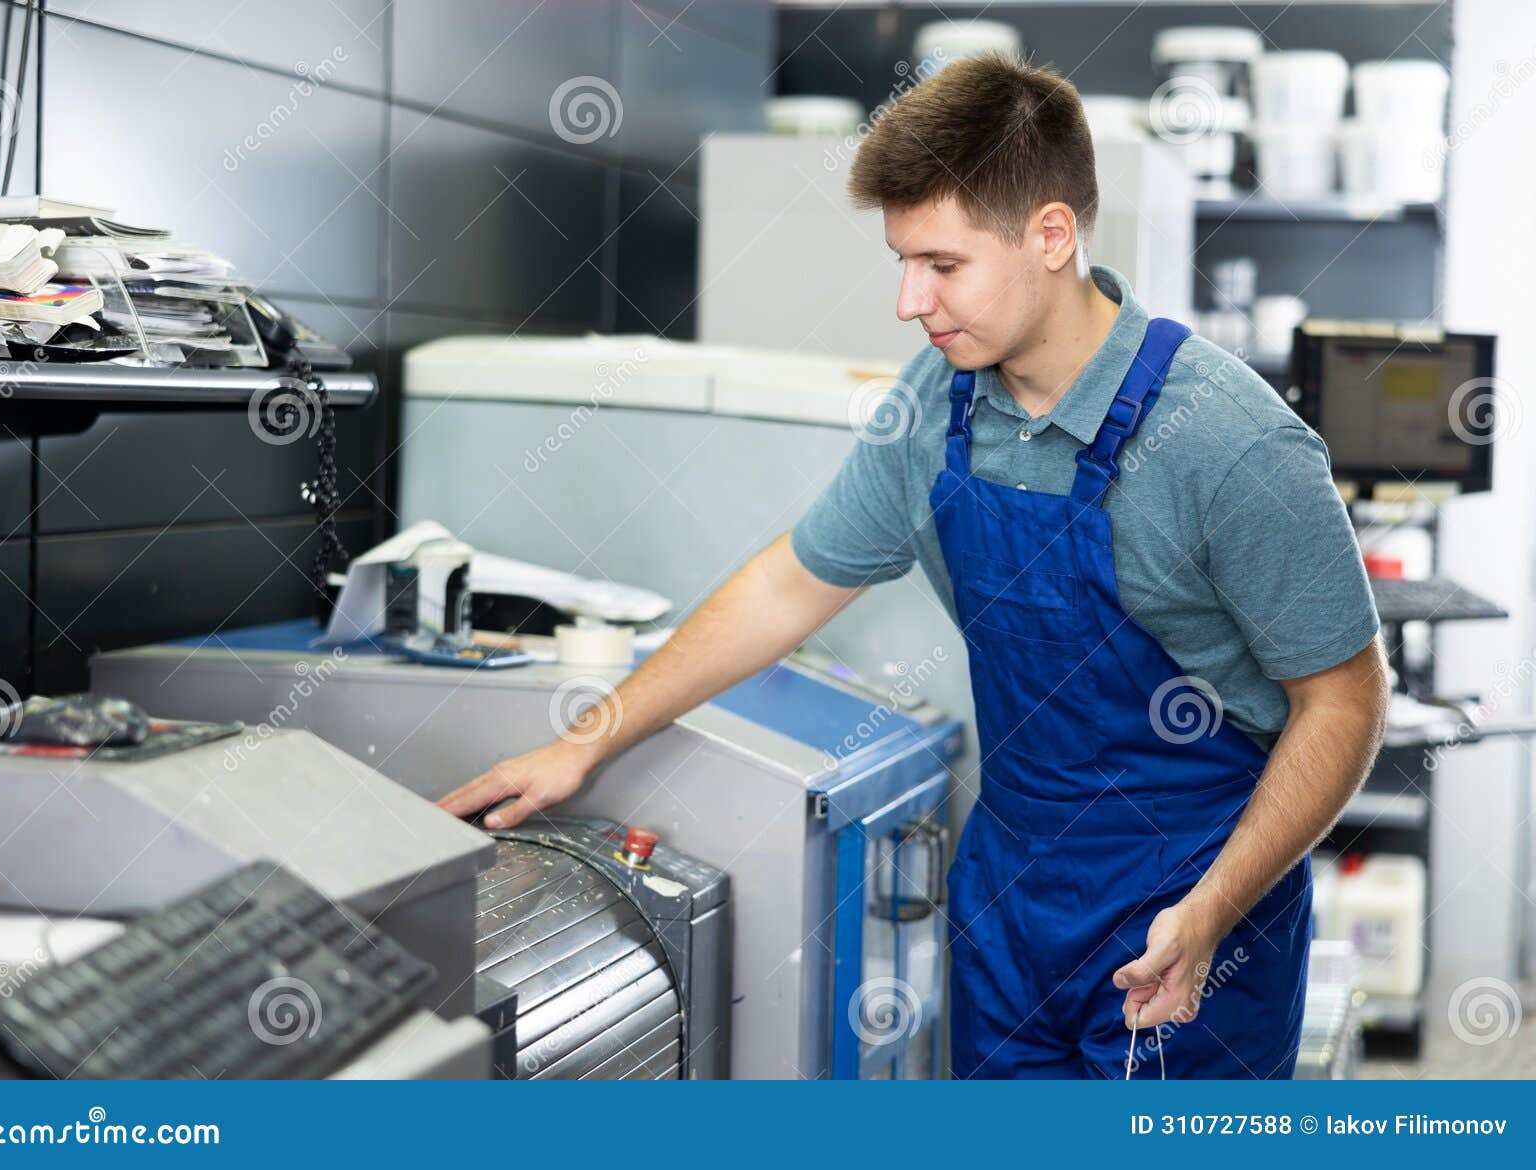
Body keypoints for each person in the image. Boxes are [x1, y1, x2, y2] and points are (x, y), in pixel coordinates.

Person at [439, 53, 1388, 1079]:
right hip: (1010, 902)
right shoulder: (937, 404)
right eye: (903, 261)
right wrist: (587, 740)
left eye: (941, 264)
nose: (908, 301)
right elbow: (790, 583)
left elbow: (1343, 703)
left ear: (1051, 236)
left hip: (1192, 911)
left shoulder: (1230, 440)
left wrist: (1211, 911)